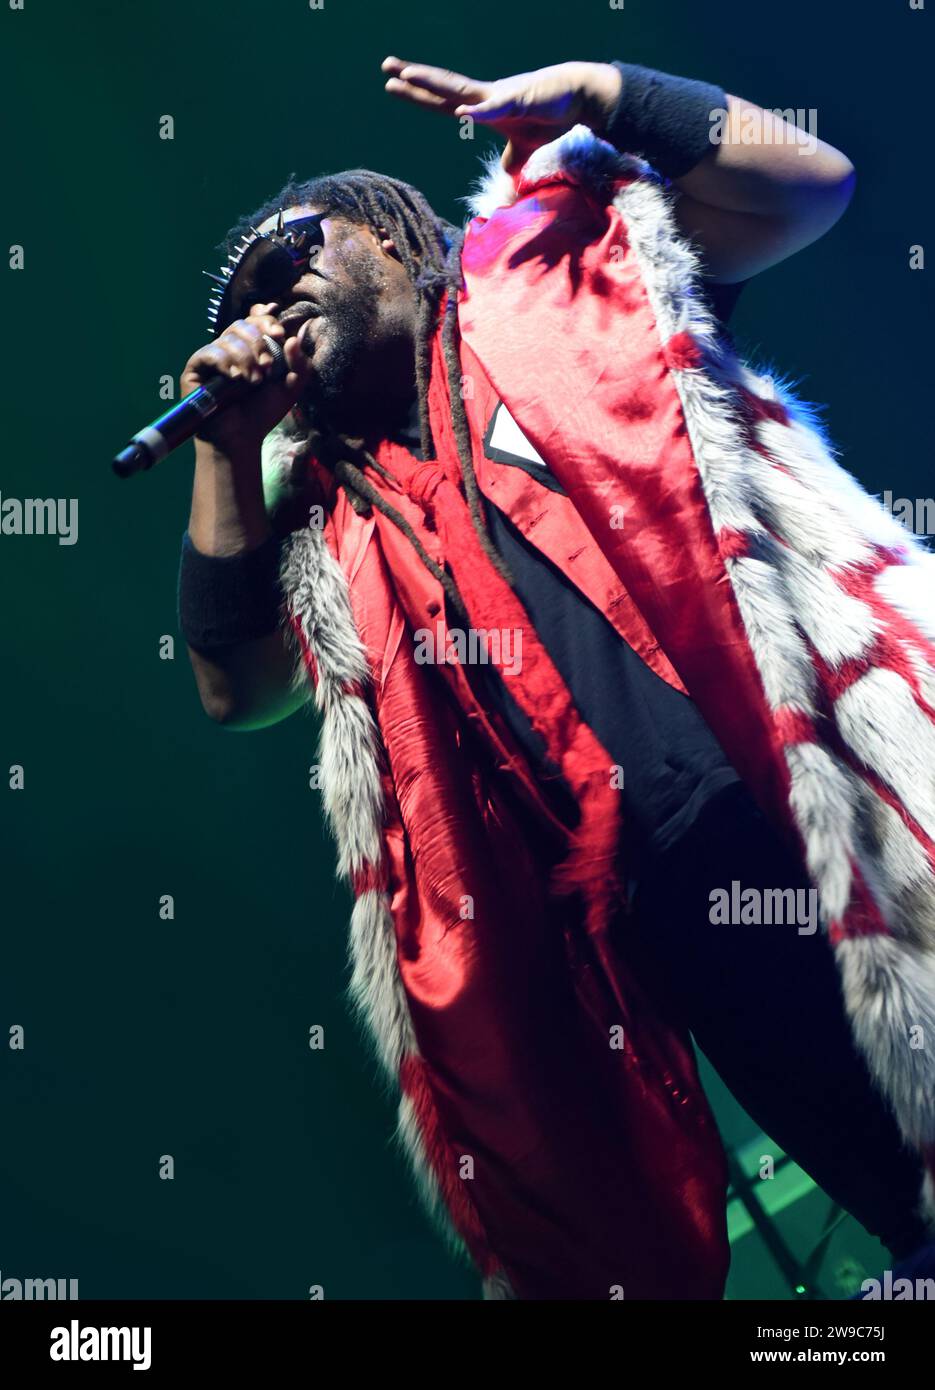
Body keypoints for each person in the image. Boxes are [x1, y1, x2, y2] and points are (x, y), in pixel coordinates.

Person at [176, 58, 935, 1299]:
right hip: (671, 913)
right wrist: (224, 448)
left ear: (381, 234)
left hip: (813, 781)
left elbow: (810, 186)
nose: (269, 299)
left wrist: (604, 92)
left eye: (291, 258)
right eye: (241, 296)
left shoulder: (554, 270)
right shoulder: (328, 509)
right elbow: (234, 685)